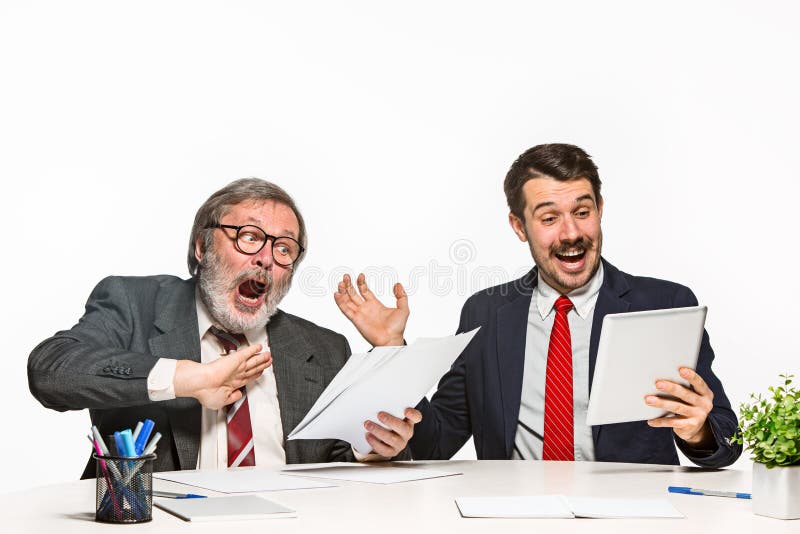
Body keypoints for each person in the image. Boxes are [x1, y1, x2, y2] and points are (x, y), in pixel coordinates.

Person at [340, 143, 741, 467]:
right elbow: (435, 443)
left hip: (630, 520)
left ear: (600, 210)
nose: (571, 234)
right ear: (519, 226)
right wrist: (393, 349)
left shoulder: (663, 305)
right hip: (515, 517)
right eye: (549, 218)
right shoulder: (485, 313)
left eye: (582, 213)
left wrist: (699, 430)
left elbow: (727, 438)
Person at [28, 178, 420, 477]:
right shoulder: (134, 304)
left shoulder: (324, 346)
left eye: (284, 248)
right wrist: (186, 378)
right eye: (249, 237)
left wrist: (372, 448)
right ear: (202, 247)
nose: (267, 258)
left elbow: (341, 466)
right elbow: (50, 371)